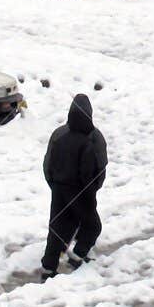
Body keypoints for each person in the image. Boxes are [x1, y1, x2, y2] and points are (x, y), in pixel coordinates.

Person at [41, 93, 108, 280]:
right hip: (83, 192)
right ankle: (77, 256)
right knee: (92, 226)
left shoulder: (59, 134)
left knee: (57, 228)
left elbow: (47, 164)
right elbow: (101, 167)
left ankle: (48, 268)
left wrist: (54, 185)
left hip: (59, 189)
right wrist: (93, 188)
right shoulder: (95, 137)